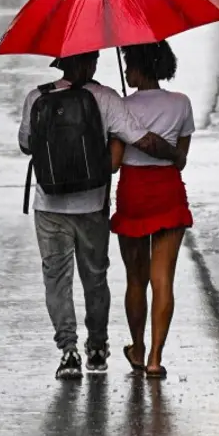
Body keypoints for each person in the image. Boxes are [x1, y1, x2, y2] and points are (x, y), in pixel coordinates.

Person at [19, 50, 178, 381]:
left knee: (57, 280)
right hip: (91, 205)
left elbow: (25, 144)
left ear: (59, 64)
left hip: (49, 206)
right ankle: (97, 346)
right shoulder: (104, 97)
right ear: (91, 62)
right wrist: (174, 154)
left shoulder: (37, 97)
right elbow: (142, 139)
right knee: (95, 277)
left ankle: (68, 352)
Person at [111, 41, 195, 380]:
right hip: (168, 192)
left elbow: (115, 163)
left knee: (136, 279)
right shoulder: (181, 104)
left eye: (130, 63)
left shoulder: (121, 108)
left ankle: (137, 346)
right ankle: (156, 358)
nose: (127, 70)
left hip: (133, 192)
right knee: (163, 280)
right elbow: (182, 159)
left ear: (141, 66)